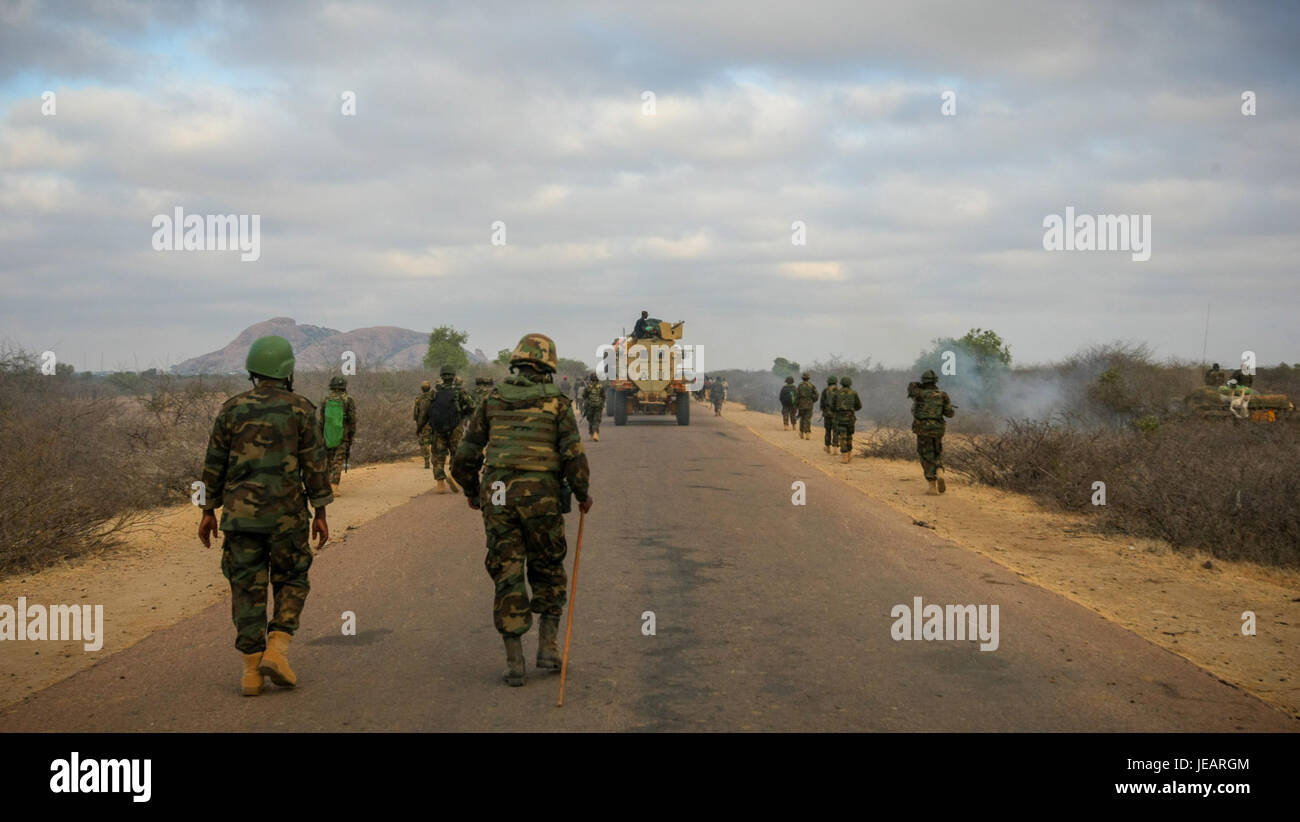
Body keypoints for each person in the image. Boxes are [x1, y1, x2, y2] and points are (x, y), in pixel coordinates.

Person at [451, 333, 592, 687]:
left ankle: (515, 663)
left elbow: (465, 457)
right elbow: (573, 455)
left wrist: (472, 491)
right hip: (542, 495)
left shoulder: (491, 400)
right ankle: (548, 648)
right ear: (547, 367)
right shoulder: (558, 404)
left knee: (507, 569)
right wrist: (582, 494)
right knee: (547, 565)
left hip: (497, 493)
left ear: (516, 363)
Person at [198, 335, 332, 696]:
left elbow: (213, 465)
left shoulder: (231, 409)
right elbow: (315, 466)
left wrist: (208, 510)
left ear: (253, 371)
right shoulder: (301, 409)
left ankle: (251, 674)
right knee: (292, 578)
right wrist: (320, 511)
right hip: (287, 517)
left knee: (246, 587)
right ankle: (278, 647)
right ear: (287, 370)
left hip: (239, 519)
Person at [427, 364, 474, 493]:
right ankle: (453, 475)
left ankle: (440, 483)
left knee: (438, 455)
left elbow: (427, 410)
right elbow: (472, 406)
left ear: (442, 376)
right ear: (453, 376)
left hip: (438, 428)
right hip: (455, 427)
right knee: (456, 453)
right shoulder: (459, 391)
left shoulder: (434, 392)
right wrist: (463, 414)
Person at [910, 369, 956, 494]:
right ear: (936, 381)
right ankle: (940, 470)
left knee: (925, 455)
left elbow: (911, 388)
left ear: (924, 381)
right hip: (937, 428)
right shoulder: (943, 395)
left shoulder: (919, 394)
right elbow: (950, 414)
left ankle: (932, 486)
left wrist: (920, 385)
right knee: (937, 451)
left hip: (923, 428)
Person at [319, 376, 357, 491]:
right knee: (338, 460)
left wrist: (321, 435)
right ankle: (334, 486)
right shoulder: (348, 399)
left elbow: (321, 420)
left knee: (327, 459)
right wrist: (351, 434)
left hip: (328, 435)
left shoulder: (326, 399)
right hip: (343, 435)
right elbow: (352, 420)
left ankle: (324, 485)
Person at [832, 376, 862, 462]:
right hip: (850, 418)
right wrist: (851, 410)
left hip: (840, 417)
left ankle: (844, 456)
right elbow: (859, 406)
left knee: (842, 437)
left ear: (841, 383)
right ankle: (849, 454)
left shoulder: (836, 393)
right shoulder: (854, 393)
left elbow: (833, 406)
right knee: (849, 436)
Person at [414, 380, 433, 468]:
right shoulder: (434, 397)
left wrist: (418, 426)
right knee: (435, 441)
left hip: (424, 425)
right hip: (435, 424)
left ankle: (426, 461)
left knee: (424, 443)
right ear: (430, 388)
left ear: (422, 389)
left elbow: (416, 414)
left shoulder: (419, 399)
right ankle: (435, 459)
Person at [795, 372, 818, 439]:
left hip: (801, 404)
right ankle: (808, 433)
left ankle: (801, 432)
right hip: (809, 404)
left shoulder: (800, 385)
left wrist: (796, 405)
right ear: (808, 378)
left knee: (802, 418)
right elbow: (816, 395)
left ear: (802, 378)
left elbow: (797, 396)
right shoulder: (811, 385)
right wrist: (813, 400)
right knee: (808, 418)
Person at [582, 373, 605, 440]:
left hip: (590, 406)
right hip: (598, 406)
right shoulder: (601, 386)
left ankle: (592, 434)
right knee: (596, 420)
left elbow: (584, 396)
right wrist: (602, 404)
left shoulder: (588, 387)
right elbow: (603, 396)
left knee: (590, 420)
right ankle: (595, 433)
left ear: (591, 379)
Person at [820, 376, 839, 453]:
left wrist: (823, 410)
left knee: (828, 430)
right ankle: (835, 448)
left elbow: (822, 402)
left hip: (827, 414)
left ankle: (827, 447)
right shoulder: (839, 391)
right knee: (836, 431)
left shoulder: (825, 390)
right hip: (837, 415)